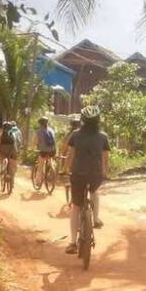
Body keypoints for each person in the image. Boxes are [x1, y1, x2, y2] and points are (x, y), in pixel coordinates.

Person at [64, 107, 110, 254]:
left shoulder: (75, 135)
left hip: (77, 174)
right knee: (94, 191)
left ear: (82, 121)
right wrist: (105, 172)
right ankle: (95, 219)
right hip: (95, 174)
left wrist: (64, 170)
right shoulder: (103, 136)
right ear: (98, 121)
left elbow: (70, 155)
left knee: (76, 207)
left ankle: (72, 243)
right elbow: (105, 158)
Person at [34, 116, 57, 183]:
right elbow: (55, 141)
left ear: (40, 123)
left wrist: (32, 148)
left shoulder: (38, 131)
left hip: (43, 151)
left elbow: (35, 141)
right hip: (52, 151)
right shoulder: (51, 130)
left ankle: (38, 181)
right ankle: (52, 170)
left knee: (40, 165)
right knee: (50, 160)